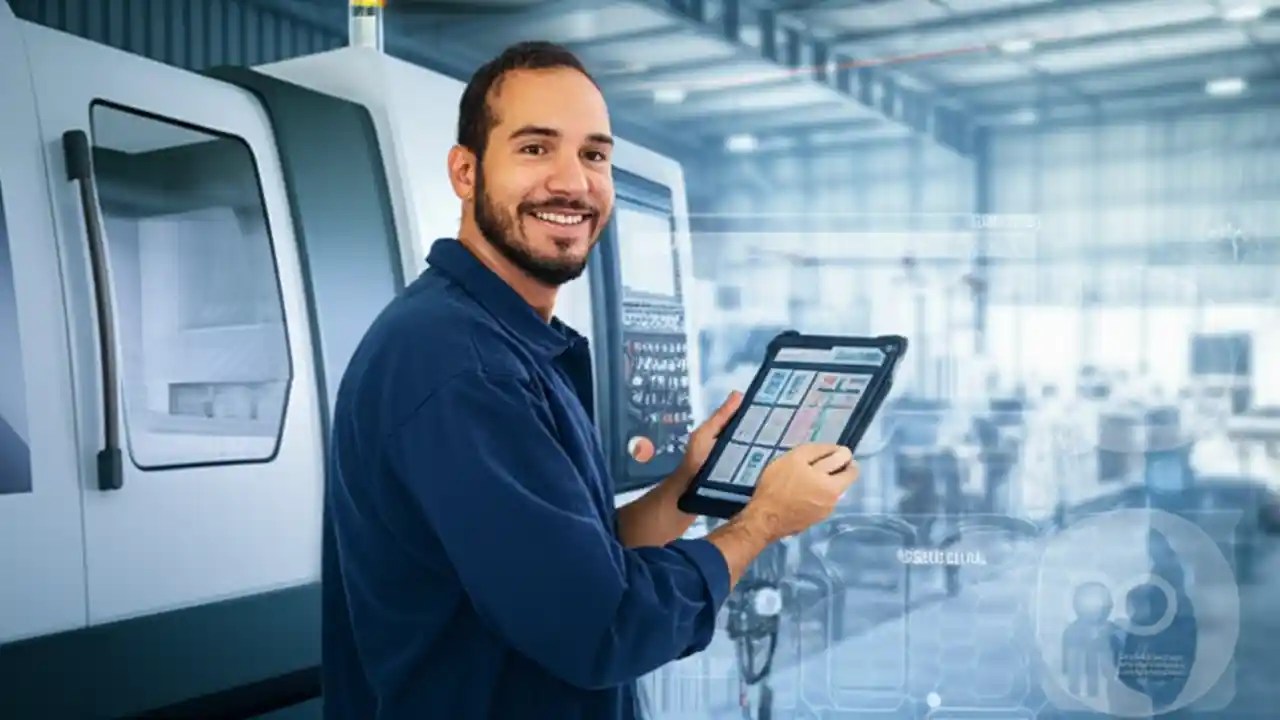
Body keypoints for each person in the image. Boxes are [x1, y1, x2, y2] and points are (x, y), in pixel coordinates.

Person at [321, 40, 859, 720]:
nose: (573, 183)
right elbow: (601, 626)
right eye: (535, 148)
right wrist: (761, 524)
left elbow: (571, 569)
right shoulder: (461, 365)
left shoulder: (503, 344)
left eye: (594, 155)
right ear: (465, 171)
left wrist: (685, 490)